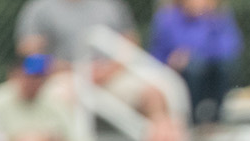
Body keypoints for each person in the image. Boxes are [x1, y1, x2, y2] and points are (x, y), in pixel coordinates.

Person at [16, 0, 168, 118]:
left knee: (154, 95)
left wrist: (107, 71)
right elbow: (31, 61)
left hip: (112, 75)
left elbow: (131, 44)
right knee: (54, 100)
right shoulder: (39, 9)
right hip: (67, 77)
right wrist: (79, 70)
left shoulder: (111, 5)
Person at [0, 54, 92, 141]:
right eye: (30, 76)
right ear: (15, 74)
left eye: (39, 76)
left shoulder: (57, 105)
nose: (34, 81)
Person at [148, 0, 243, 126]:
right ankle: (191, 121)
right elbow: (159, 53)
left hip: (205, 69)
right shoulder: (167, 18)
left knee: (222, 66)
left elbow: (229, 48)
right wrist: (174, 60)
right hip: (173, 72)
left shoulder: (217, 17)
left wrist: (193, 54)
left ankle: (215, 119)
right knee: (193, 68)